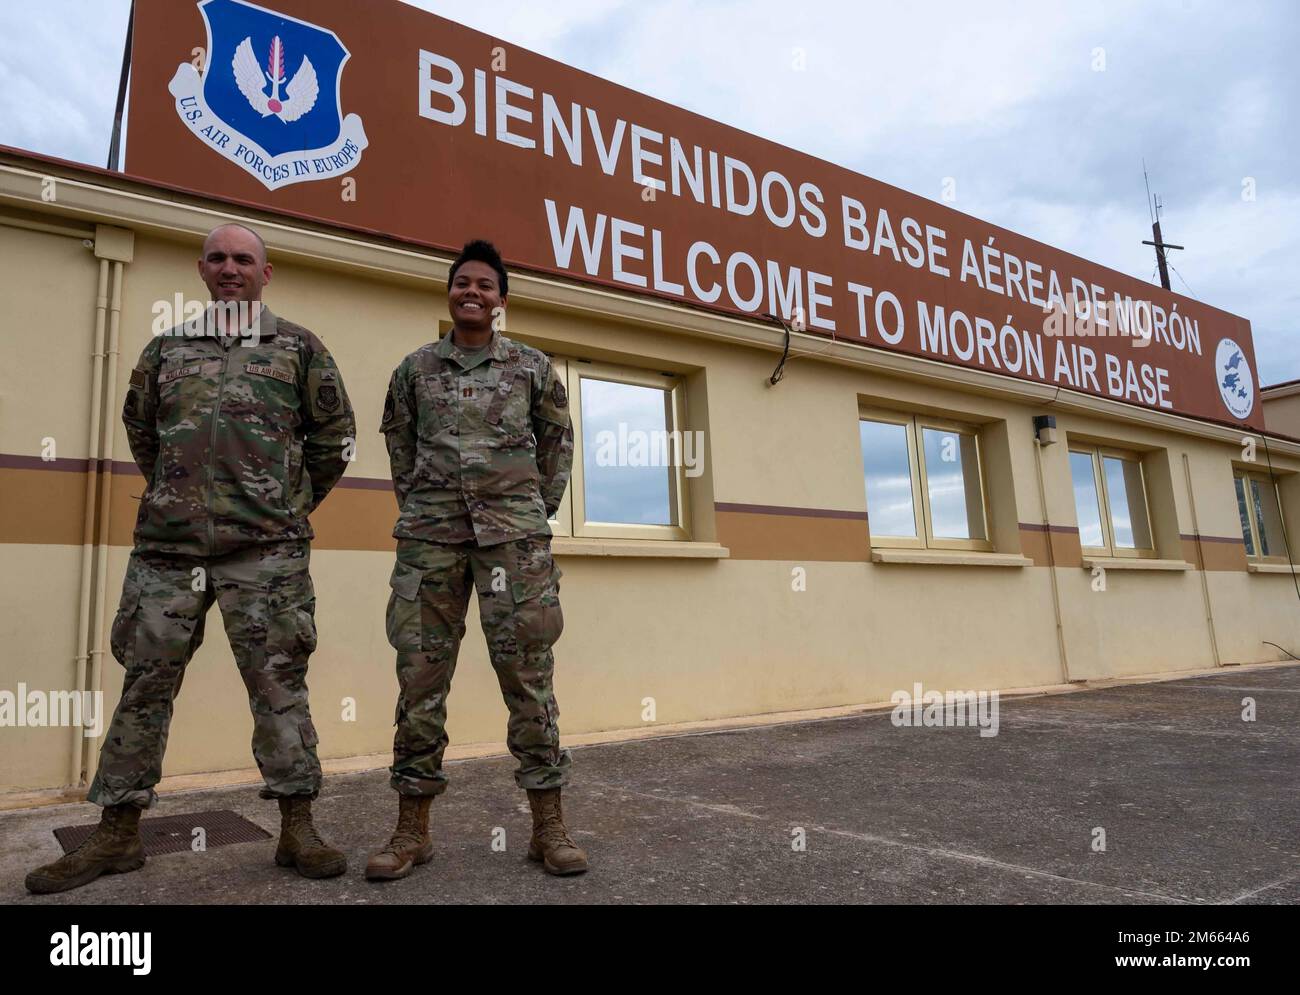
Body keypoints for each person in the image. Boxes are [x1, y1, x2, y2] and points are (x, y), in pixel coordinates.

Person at [26, 223, 355, 894]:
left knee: (277, 687)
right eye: (219, 258)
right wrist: (183, 494)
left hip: (266, 553)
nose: (230, 267)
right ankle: (116, 834)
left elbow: (335, 438)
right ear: (202, 270)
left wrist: (283, 506)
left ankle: (297, 827)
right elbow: (142, 429)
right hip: (168, 551)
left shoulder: (298, 348)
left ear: (266, 274)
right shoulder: (166, 349)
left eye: (244, 259)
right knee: (143, 687)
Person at [368, 239, 587, 879]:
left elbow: (558, 446)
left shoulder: (532, 368)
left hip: (514, 545)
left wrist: (529, 513)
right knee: (420, 681)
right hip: (431, 543)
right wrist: (425, 509)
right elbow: (399, 448)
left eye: (485, 285)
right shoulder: (414, 370)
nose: (472, 292)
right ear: (449, 292)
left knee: (528, 679)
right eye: (462, 282)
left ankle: (548, 827)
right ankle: (411, 832)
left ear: (501, 300)